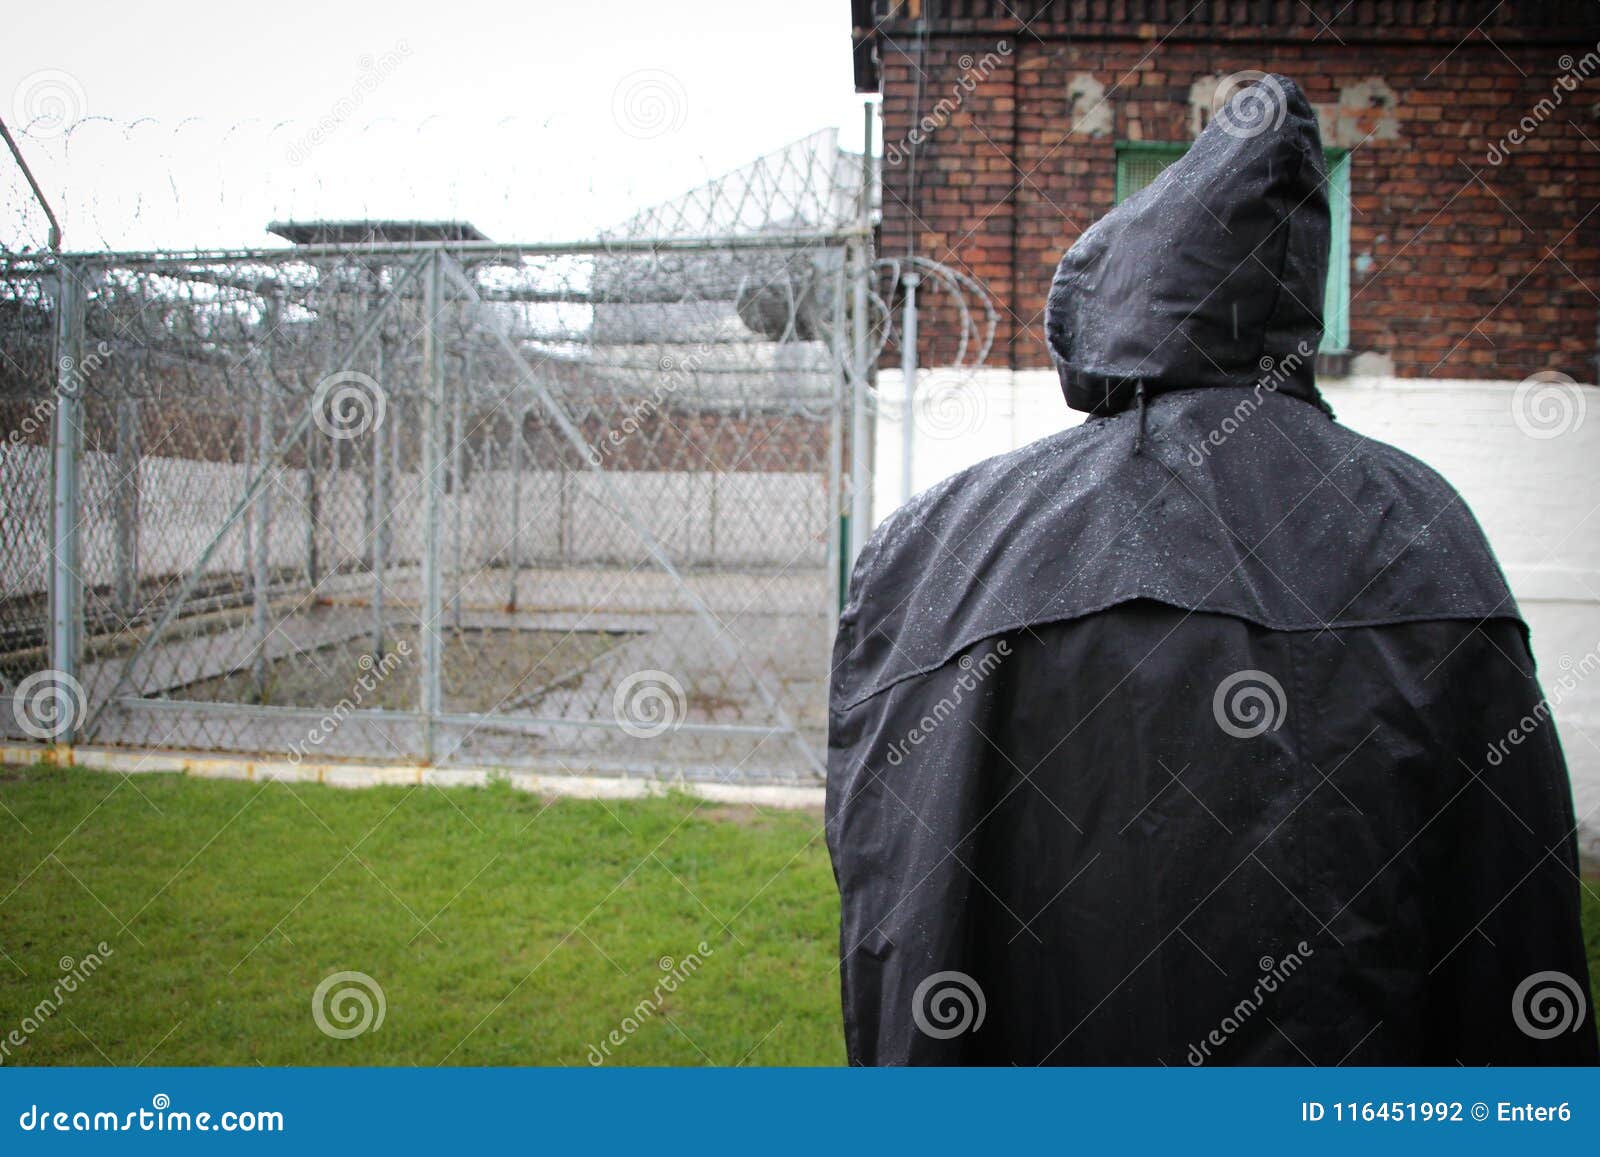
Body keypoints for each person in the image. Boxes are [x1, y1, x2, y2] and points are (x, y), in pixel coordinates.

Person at [825, 74, 1596, 1066]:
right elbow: (1516, 927)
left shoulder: (940, 539)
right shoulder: (1422, 530)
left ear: (1115, 288)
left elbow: (884, 884)